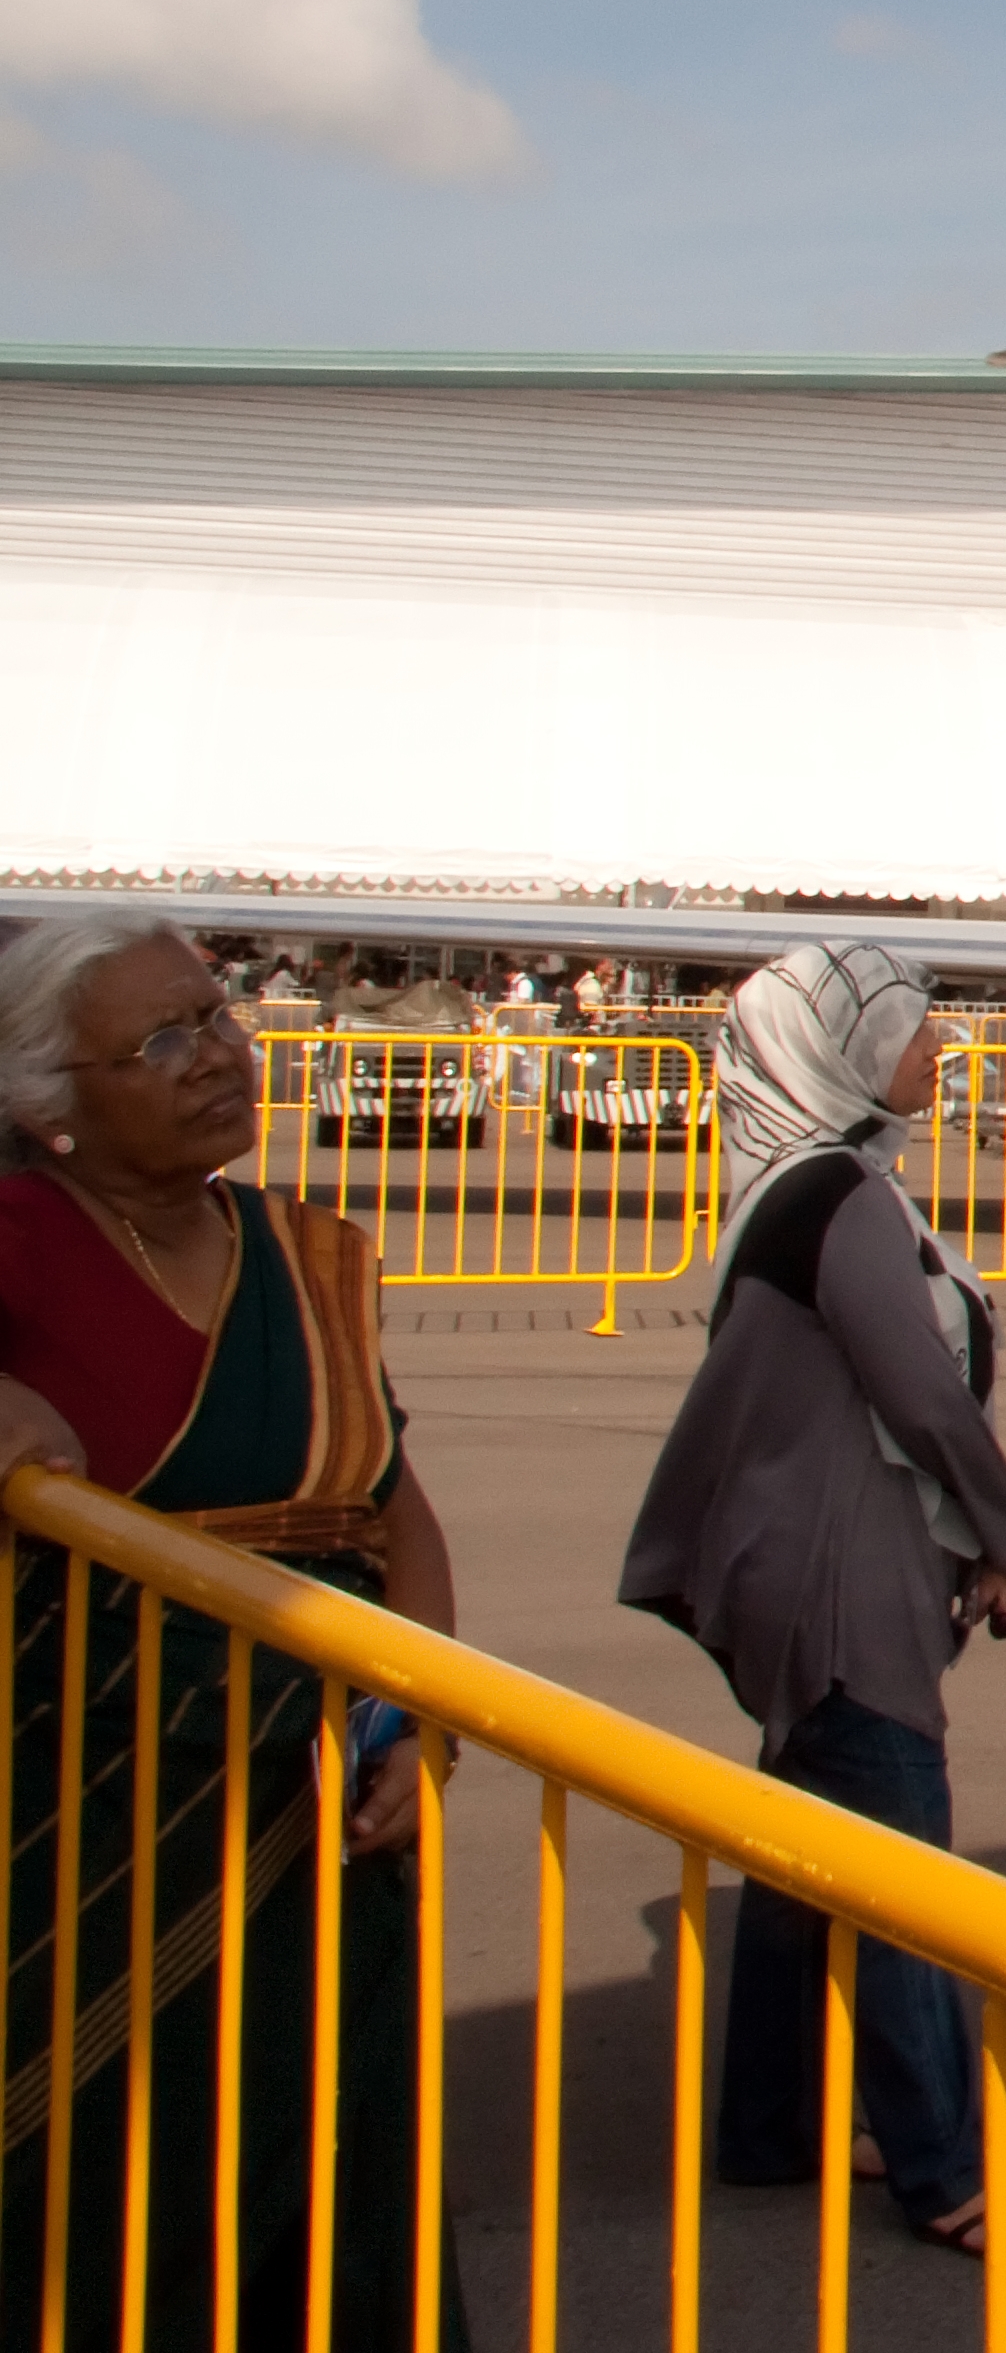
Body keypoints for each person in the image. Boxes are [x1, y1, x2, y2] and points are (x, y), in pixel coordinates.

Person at [0, 910, 461, 2347]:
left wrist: (429, 1718)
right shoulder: (17, 1244)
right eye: (162, 1040)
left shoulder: (308, 1255)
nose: (220, 1056)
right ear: (49, 1106)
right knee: (94, 2196)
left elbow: (392, 1510)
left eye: (216, 1017)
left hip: (321, 1816)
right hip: (76, 1827)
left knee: (329, 2195)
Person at [619, 943, 1006, 2267]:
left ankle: (771, 2126)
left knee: (802, 1863)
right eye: (914, 1032)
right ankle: (948, 2177)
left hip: (799, 1566)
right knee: (901, 1878)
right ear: (840, 1052)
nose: (939, 1053)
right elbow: (920, 1395)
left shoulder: (800, 1183)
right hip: (837, 1580)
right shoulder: (838, 1201)